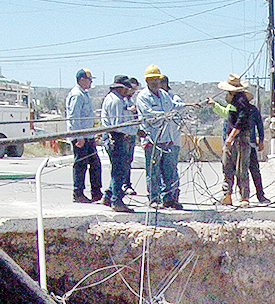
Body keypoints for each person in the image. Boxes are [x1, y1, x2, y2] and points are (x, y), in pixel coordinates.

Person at [135, 65, 190, 210]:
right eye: (151, 79)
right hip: (152, 140)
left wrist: (190, 105)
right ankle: (154, 199)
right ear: (147, 81)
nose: (155, 82)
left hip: (167, 139)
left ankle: (169, 199)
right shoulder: (143, 97)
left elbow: (173, 106)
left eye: (157, 79)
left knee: (170, 171)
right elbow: (148, 114)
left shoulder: (164, 95)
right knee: (153, 171)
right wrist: (163, 115)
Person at [214, 74, 269, 206]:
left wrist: (231, 137)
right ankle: (229, 196)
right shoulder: (234, 105)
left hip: (244, 141)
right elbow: (228, 118)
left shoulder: (243, 105)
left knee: (242, 169)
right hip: (238, 140)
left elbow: (241, 123)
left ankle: (247, 197)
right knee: (231, 168)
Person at [100, 75, 139, 211]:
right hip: (117, 137)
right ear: (120, 88)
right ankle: (116, 200)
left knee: (119, 169)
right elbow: (118, 125)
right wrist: (134, 131)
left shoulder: (118, 99)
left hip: (119, 136)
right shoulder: (116, 101)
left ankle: (109, 195)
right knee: (119, 170)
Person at [66, 68, 102, 203]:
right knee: (80, 165)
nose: (91, 82)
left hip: (88, 135)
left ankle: (96, 192)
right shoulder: (77, 95)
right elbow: (74, 117)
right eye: (89, 80)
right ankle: (78, 192)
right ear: (81, 80)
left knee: (95, 164)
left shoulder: (84, 94)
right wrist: (79, 135)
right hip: (80, 136)